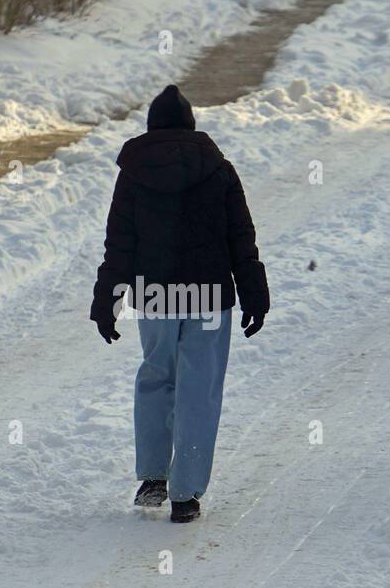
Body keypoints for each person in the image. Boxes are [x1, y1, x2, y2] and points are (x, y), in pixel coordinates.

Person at [90, 84, 269, 524]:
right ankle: (185, 494)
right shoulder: (218, 168)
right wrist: (254, 293)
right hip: (209, 294)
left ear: (151, 127)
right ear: (191, 126)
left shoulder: (133, 173)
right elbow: (240, 238)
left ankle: (153, 478)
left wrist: (107, 299)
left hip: (154, 295)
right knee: (198, 390)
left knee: (156, 380)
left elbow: (121, 244)